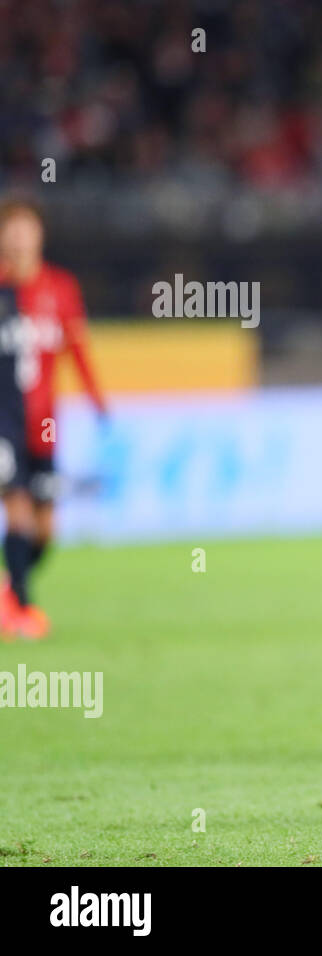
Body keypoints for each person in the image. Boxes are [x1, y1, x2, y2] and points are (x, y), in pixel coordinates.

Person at [0, 199, 109, 639]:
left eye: (27, 229)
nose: (20, 238)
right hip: (2, 424)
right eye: (13, 230)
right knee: (19, 514)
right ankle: (24, 610)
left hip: (43, 426)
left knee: (45, 531)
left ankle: (10, 592)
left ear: (40, 235)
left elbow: (77, 349)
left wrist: (99, 402)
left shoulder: (60, 289)